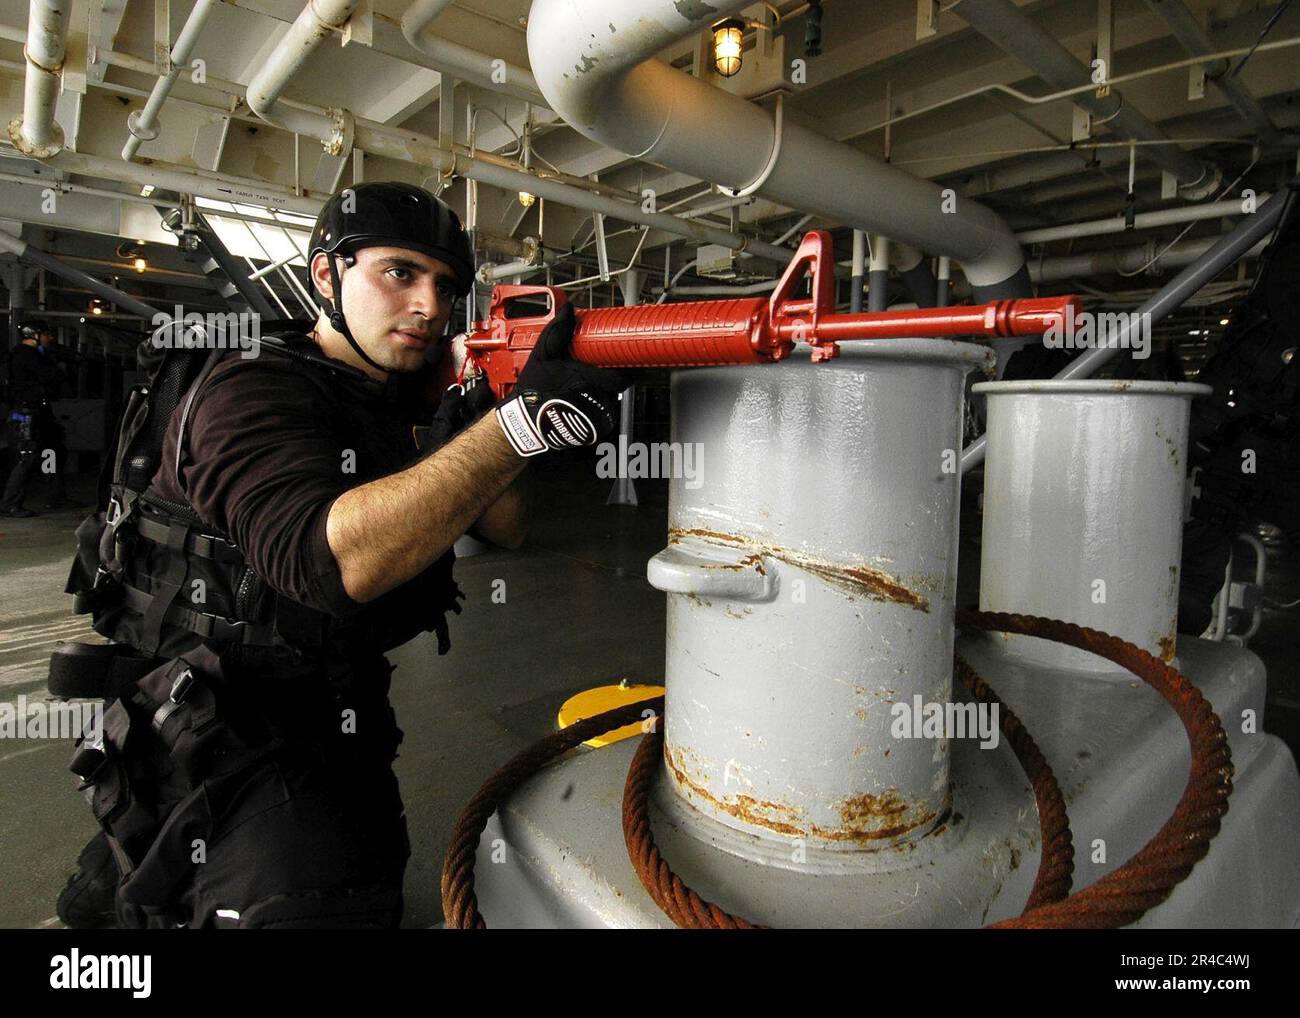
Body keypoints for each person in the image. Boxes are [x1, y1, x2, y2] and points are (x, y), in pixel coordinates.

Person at [55, 181, 630, 929]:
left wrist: (493, 413)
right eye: (399, 273)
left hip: (332, 705)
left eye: (445, 285)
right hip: (222, 726)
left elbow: (507, 528)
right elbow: (327, 562)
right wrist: (518, 428)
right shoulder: (250, 390)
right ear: (327, 276)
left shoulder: (392, 394)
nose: (429, 305)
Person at [1, 321, 72, 516]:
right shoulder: (26, 356)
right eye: (46, 334)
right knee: (27, 457)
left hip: (38, 412)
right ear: (34, 335)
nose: (50, 338)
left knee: (54, 450)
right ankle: (10, 503)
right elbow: (51, 376)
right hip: (26, 413)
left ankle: (54, 496)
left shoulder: (32, 355)